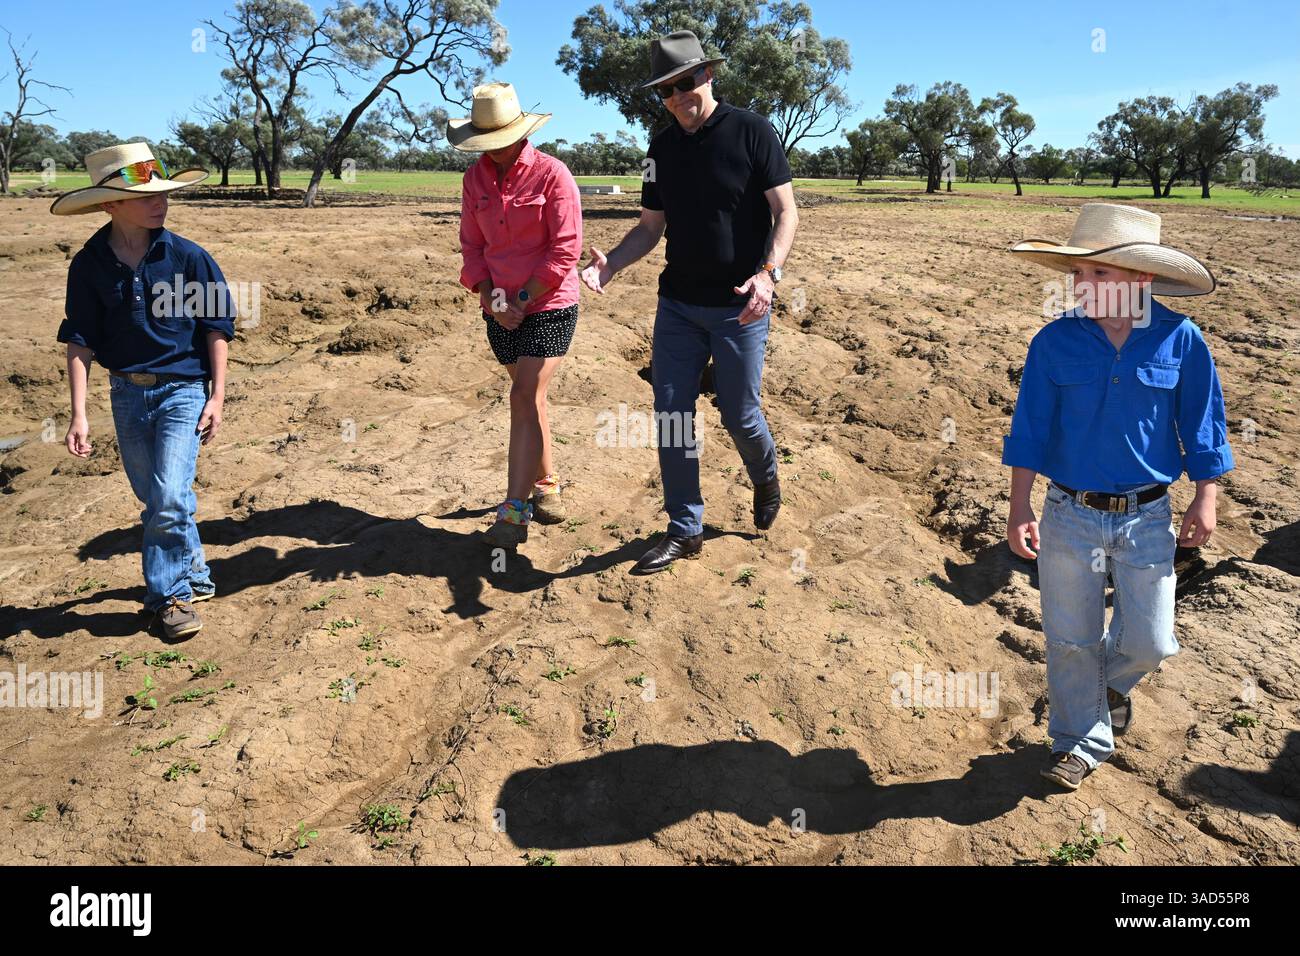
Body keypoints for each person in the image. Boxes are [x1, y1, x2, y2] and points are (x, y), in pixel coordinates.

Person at [1002, 203, 1235, 790]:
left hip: (1148, 516)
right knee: (1070, 637)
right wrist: (1018, 506)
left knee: (1152, 640)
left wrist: (1206, 497)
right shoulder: (1053, 342)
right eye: (1079, 274)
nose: (1080, 285)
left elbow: (1203, 425)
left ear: (1139, 279)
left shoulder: (1182, 340)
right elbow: (1030, 429)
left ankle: (1106, 687)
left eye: (1097, 274)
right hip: (1068, 514)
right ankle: (1080, 739)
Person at [580, 30, 798, 574]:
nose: (677, 97)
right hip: (677, 305)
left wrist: (768, 274)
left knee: (740, 413)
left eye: (685, 83)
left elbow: (786, 213)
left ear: (708, 75)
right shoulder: (660, 150)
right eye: (666, 90)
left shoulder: (752, 132)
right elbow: (649, 228)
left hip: (740, 305)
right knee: (672, 414)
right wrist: (612, 263)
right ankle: (685, 527)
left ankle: (765, 474)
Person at [52, 143, 235, 641]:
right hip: (126, 393)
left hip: (184, 391)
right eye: (145, 196)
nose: (161, 203)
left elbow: (216, 328)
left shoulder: (189, 257)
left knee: (170, 495)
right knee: (158, 497)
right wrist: (78, 413)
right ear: (109, 204)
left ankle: (167, 598)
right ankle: (193, 572)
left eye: (164, 194)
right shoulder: (88, 265)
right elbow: (80, 339)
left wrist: (216, 397)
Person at [452, 83, 584, 547]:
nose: (494, 152)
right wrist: (489, 296)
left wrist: (524, 298)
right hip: (499, 308)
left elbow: (566, 247)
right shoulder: (474, 181)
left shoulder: (553, 175)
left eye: (501, 139)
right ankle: (547, 485)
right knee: (530, 398)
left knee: (523, 396)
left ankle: (513, 513)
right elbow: (472, 246)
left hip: (548, 304)